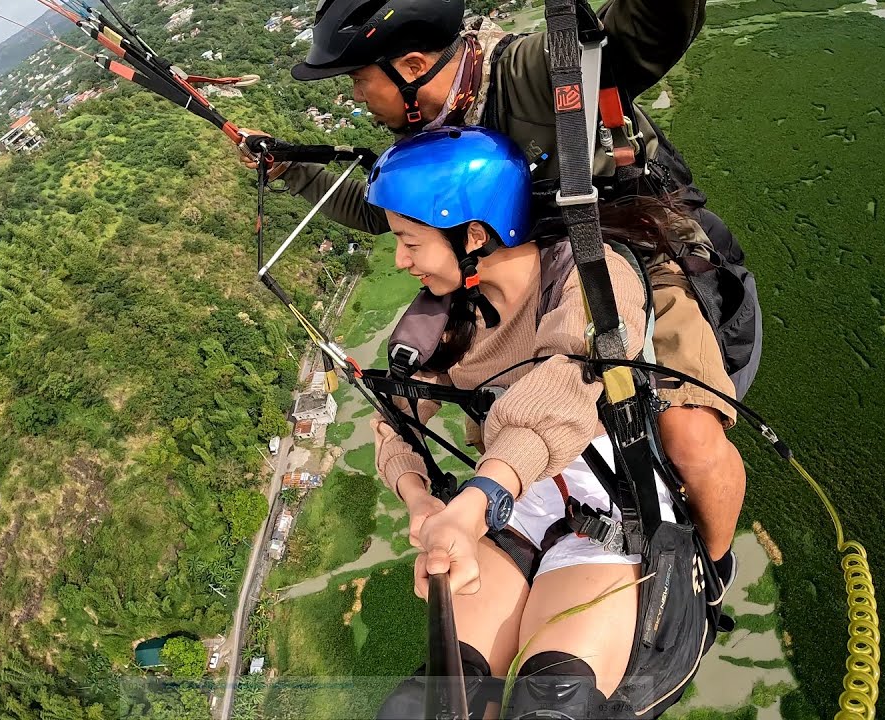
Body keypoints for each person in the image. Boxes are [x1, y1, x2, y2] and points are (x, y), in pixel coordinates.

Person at [244, 0, 745, 568]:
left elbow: (644, 35)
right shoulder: (427, 129)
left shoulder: (533, 71)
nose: (358, 95)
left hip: (628, 251)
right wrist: (292, 171)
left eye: (360, 79)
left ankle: (711, 569)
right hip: (522, 274)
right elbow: (385, 213)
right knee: (491, 420)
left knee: (688, 439)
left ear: (410, 67)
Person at [364, 127, 707, 719]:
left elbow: (566, 383)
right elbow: (396, 416)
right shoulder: (449, 315)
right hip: (511, 509)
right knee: (433, 703)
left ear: (472, 234)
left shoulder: (592, 280)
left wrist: (474, 501)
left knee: (553, 704)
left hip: (610, 507)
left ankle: (713, 570)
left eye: (410, 242)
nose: (400, 261)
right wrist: (419, 498)